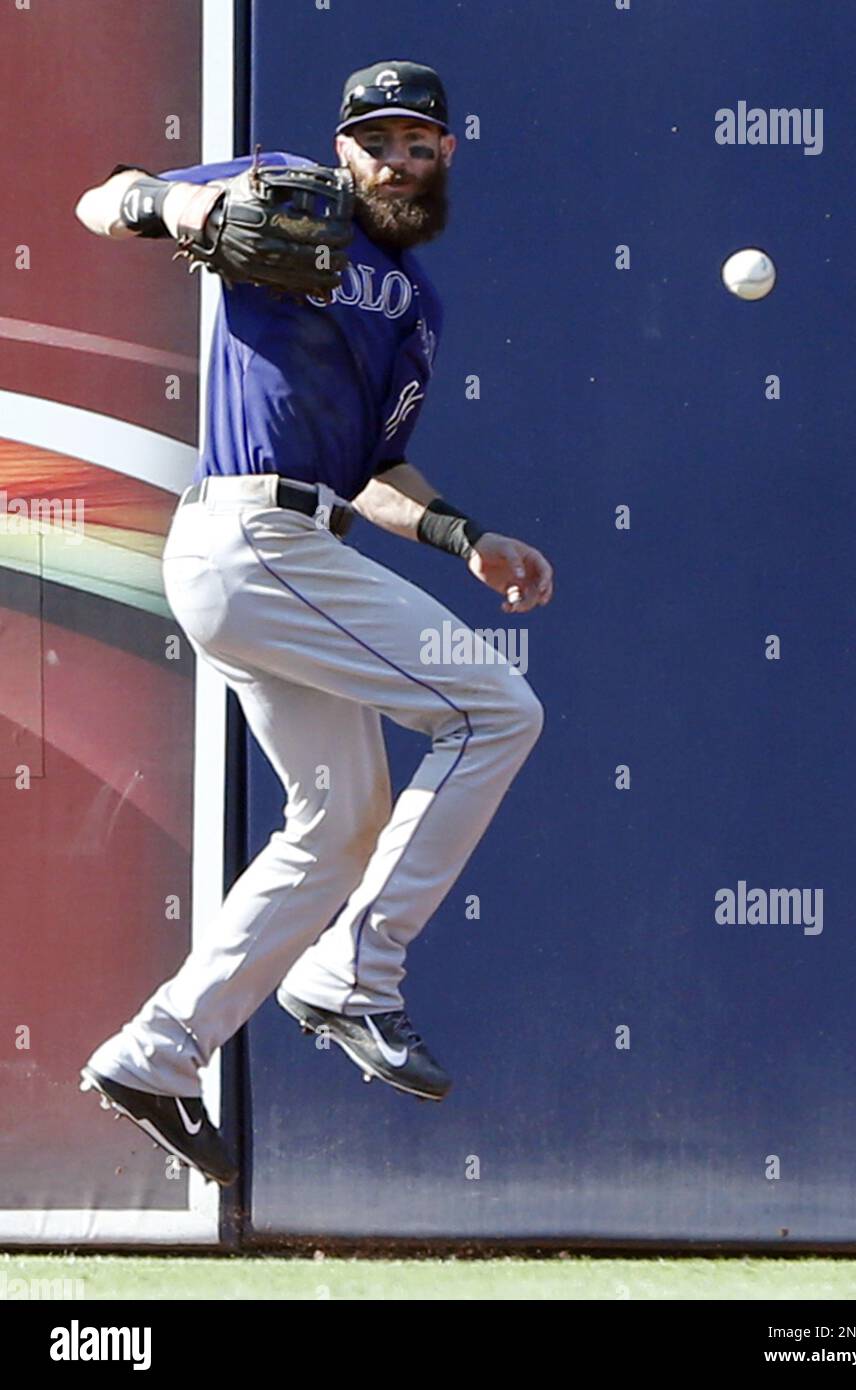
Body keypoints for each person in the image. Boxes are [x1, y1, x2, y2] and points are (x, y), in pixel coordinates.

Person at [73, 60, 553, 1186]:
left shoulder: (417, 303)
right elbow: (105, 198)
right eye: (375, 138)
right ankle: (356, 976)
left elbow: (376, 464)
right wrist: (183, 204)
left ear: (446, 156)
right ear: (341, 151)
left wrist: (463, 536)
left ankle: (159, 1051)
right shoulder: (281, 186)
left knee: (340, 820)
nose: (395, 157)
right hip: (251, 535)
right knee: (497, 706)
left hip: (302, 545)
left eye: (417, 141)